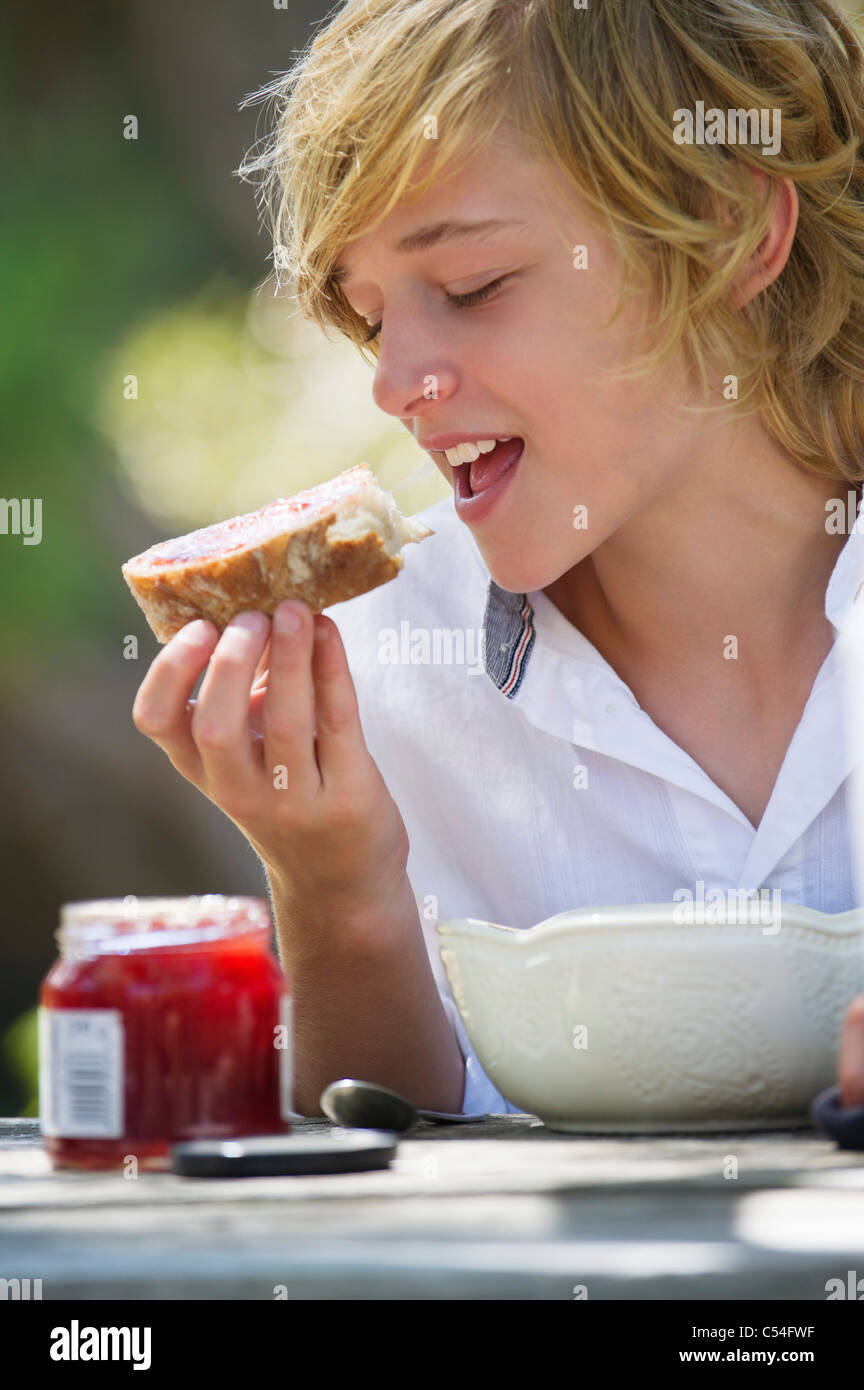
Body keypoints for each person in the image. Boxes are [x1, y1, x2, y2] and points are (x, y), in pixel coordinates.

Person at [132, 0, 864, 1120]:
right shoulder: (373, 674)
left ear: (734, 234)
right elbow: (382, 1186)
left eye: (472, 289)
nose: (393, 383)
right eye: (371, 319)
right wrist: (337, 895)